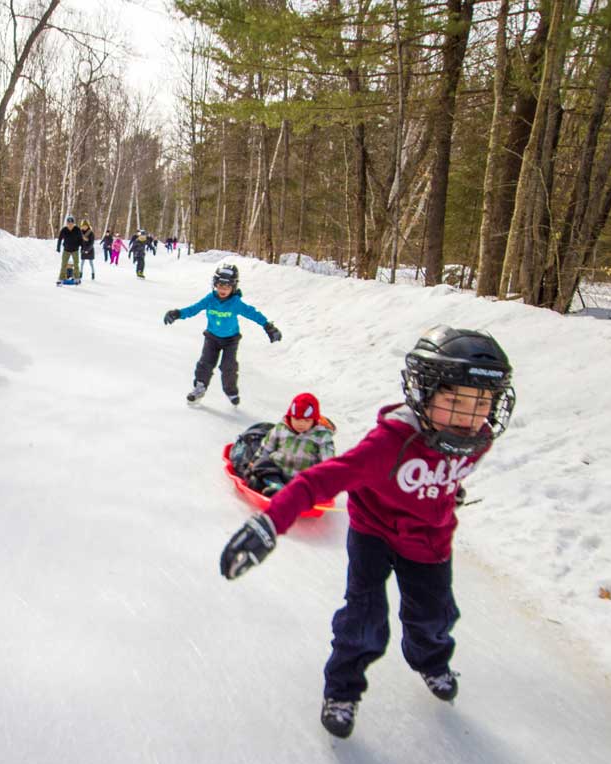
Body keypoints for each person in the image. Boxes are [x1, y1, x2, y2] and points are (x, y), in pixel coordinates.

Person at [218, 326, 517, 740]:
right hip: (372, 533)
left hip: (430, 541)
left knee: (434, 617)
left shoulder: (478, 439)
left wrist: (447, 491)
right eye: (455, 401)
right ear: (425, 394)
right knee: (363, 621)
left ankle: (431, 661)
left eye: (482, 403)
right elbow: (322, 479)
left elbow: (447, 472)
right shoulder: (391, 442)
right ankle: (342, 692)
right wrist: (270, 523)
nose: (469, 417)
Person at [162, 263, 282, 405]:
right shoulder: (210, 299)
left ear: (233, 287)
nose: (223, 290)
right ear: (215, 285)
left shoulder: (235, 303)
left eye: (227, 286)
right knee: (205, 363)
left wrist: (268, 326)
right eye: (220, 285)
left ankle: (231, 392)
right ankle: (199, 388)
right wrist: (177, 313)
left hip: (230, 340)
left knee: (228, 366)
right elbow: (194, 309)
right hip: (212, 338)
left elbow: (253, 313)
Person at [247, 392, 337, 496]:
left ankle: (288, 492)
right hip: (279, 471)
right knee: (261, 464)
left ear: (314, 420)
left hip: (302, 477)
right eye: (297, 419)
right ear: (290, 416)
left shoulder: (321, 436)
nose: (301, 424)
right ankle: (277, 487)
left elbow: (327, 460)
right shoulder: (281, 429)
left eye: (306, 420)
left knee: (316, 480)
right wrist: (255, 462)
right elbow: (266, 448)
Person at [56, 215, 83, 283]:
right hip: (66, 249)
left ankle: (77, 278)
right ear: (67, 223)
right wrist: (58, 247)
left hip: (75, 250)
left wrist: (82, 248)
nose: (70, 225)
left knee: (76, 264)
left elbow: (81, 239)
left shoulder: (77, 230)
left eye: (71, 223)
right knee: (64, 264)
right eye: (68, 223)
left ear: (74, 223)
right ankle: (61, 278)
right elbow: (60, 239)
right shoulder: (64, 230)